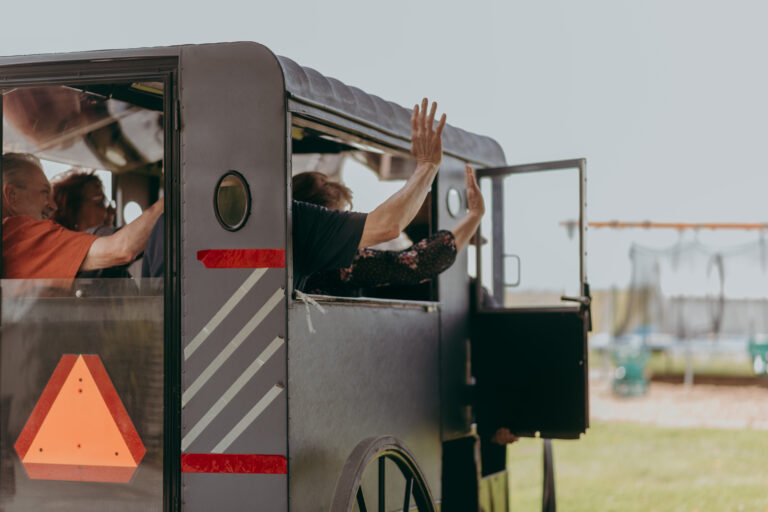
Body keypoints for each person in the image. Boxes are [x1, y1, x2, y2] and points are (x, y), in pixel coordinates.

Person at [142, 98, 448, 290]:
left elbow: (152, 302)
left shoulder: (167, 225)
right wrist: (427, 167)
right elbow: (388, 227)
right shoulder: (292, 220)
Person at [296, 165, 486, 295]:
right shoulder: (338, 264)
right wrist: (474, 215)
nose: (341, 223)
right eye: (338, 217)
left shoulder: (296, 245)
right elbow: (416, 263)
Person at [1, 152, 162, 279]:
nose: (53, 206)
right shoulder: (22, 235)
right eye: (44, 192)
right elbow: (123, 248)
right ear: (12, 195)